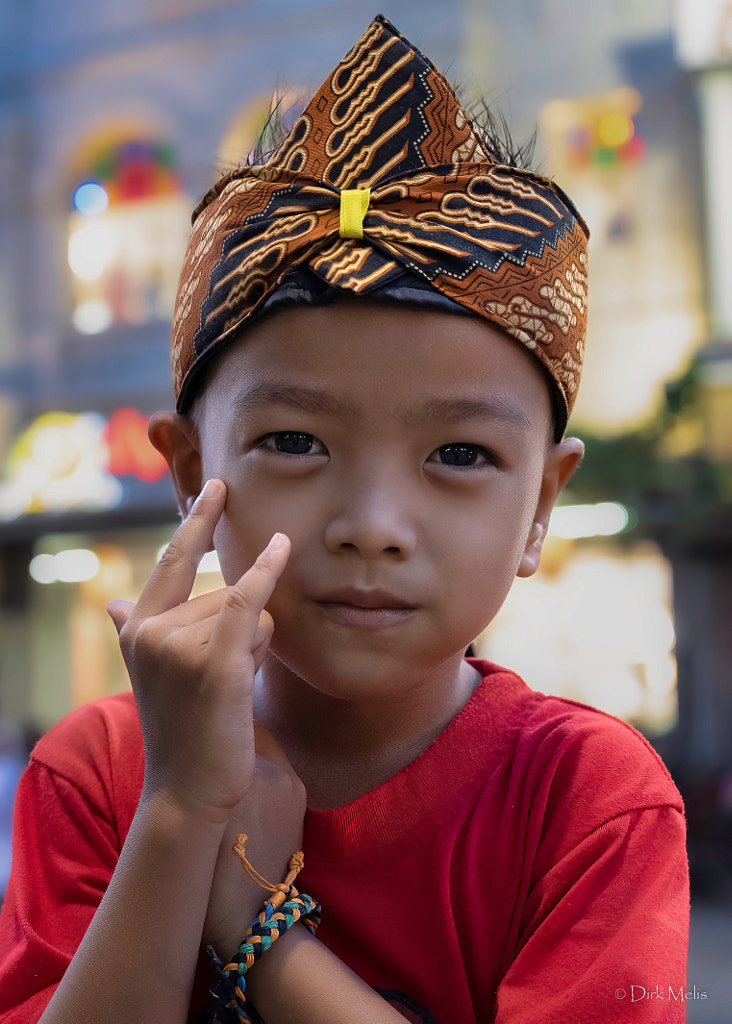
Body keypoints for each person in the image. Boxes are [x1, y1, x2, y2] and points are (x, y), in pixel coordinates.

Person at [0, 15, 688, 1024]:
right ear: (192, 472)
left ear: (542, 503)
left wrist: (256, 925)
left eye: (458, 454)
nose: (373, 524)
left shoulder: (589, 800)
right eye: (295, 441)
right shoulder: (102, 773)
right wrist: (178, 809)